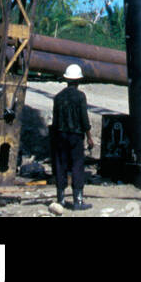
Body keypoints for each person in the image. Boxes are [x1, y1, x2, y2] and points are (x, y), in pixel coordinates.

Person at [51, 63, 94, 211]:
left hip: (60, 135)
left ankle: (61, 200)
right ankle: (78, 201)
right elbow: (84, 119)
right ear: (78, 81)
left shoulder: (58, 97)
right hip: (76, 136)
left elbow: (55, 122)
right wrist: (89, 137)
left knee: (61, 166)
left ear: (67, 79)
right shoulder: (80, 97)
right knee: (77, 166)